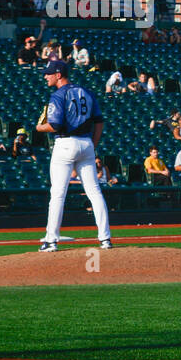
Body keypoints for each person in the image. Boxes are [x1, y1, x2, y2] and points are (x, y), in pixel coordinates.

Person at [35, 59, 112, 250]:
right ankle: (105, 239)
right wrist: (93, 145)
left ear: (58, 74)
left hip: (65, 143)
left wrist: (38, 128)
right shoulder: (87, 92)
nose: (46, 76)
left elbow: (55, 125)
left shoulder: (58, 95)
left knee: (58, 194)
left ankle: (51, 240)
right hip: (86, 143)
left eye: (49, 73)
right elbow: (99, 121)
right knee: (94, 192)